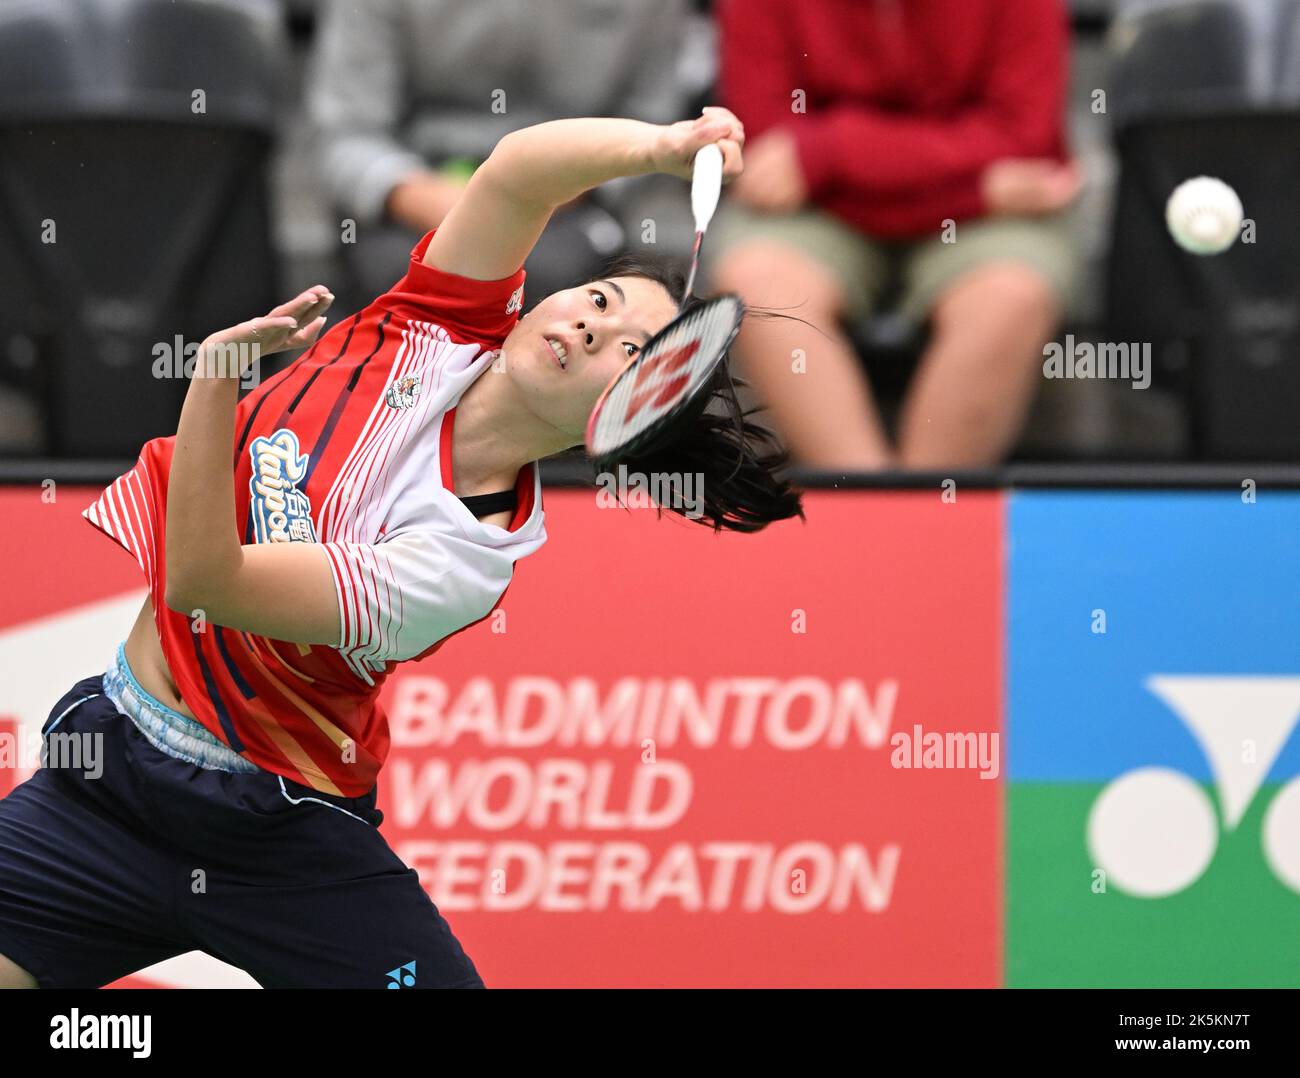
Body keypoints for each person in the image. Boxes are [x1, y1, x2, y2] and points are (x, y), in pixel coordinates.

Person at [0, 108, 802, 989]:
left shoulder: (463, 561)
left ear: (621, 429)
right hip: (107, 786)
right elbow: (514, 171)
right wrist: (660, 146)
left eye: (628, 353)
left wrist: (212, 386)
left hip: (274, 833)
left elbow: (204, 580)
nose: (589, 328)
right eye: (600, 301)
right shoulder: (440, 320)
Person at [704, 0, 1082, 469]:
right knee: (757, 283)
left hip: (920, 210)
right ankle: (876, 516)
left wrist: (826, 155)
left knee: (1010, 295)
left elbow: (1028, 141)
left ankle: (915, 523)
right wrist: (979, 187)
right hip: (889, 206)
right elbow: (762, 153)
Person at [306, 0, 695, 308]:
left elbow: (651, 123)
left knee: (556, 286)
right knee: (408, 278)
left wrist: (550, 184)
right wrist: (438, 198)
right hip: (415, 187)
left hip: (573, 192)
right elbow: (348, 130)